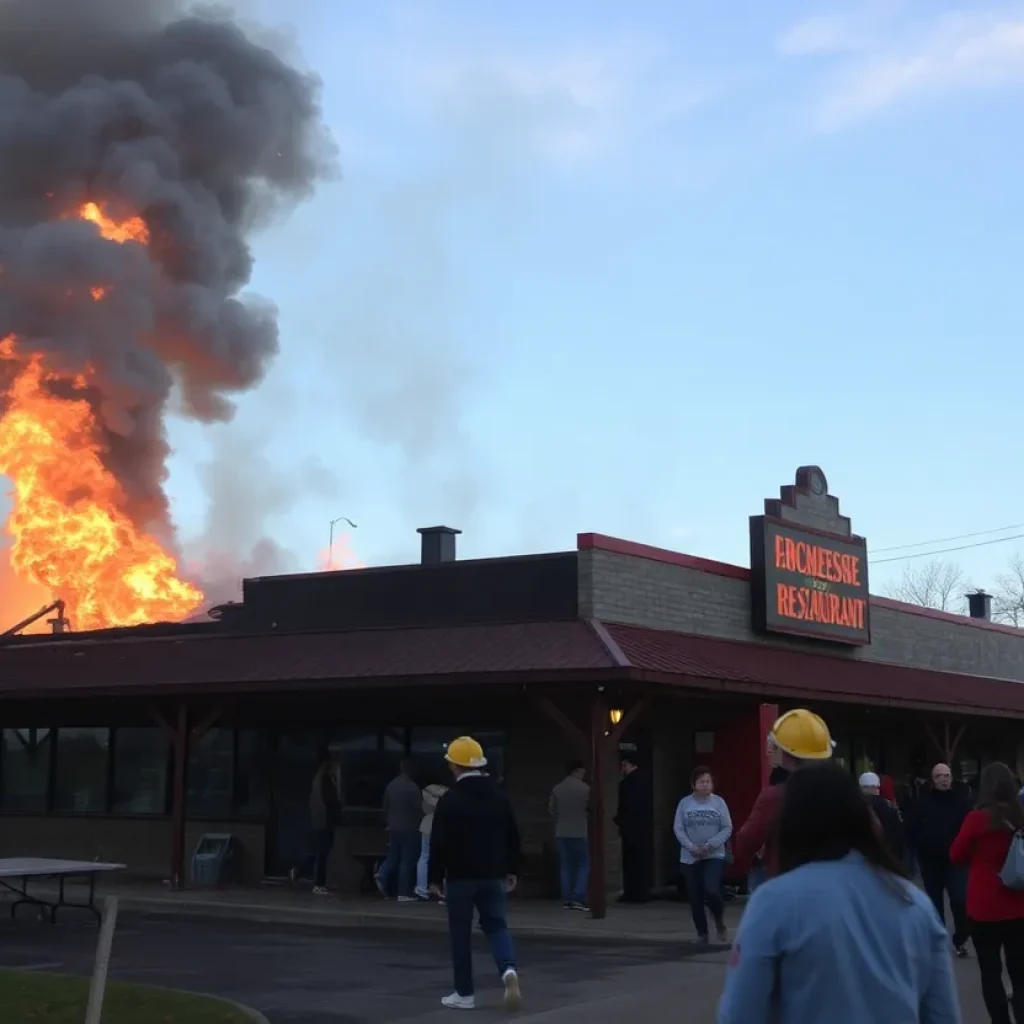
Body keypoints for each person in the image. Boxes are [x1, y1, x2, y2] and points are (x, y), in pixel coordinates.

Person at [718, 762, 961, 1024]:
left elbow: (740, 1014)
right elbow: (943, 1015)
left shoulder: (773, 902)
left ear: (789, 822)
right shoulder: (915, 904)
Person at [429, 735, 522, 1012]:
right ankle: (508, 970)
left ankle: (464, 993)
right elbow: (512, 835)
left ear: (455, 766)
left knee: (460, 934)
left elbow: (438, 842)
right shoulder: (499, 796)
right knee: (496, 926)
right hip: (494, 875)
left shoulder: (450, 799)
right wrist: (512, 869)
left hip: (460, 877)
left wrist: (434, 878)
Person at [950, 761, 1024, 1024]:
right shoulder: (1020, 815)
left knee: (990, 970)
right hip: (1018, 902)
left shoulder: (977, 818)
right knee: (1020, 969)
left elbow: (956, 854)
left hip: (985, 907)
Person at [733, 709, 835, 880]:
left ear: (783, 752)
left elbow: (747, 840)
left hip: (786, 878)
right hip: (831, 880)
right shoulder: (841, 791)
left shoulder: (776, 796)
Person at [909, 762, 972, 957]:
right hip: (930, 861)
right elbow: (911, 829)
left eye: (946, 775)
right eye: (939, 776)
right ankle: (938, 942)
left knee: (961, 900)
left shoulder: (961, 802)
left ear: (951, 778)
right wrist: (919, 848)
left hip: (956, 861)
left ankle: (960, 937)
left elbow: (968, 830)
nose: (943, 779)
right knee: (934, 904)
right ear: (933, 780)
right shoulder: (923, 803)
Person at [673, 766, 732, 944]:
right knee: (695, 896)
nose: (705, 785)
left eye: (708, 782)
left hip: (713, 854)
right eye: (701, 782)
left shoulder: (719, 803)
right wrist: (691, 847)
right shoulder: (685, 803)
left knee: (711, 890)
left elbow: (727, 827)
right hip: (690, 857)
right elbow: (678, 828)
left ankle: (719, 920)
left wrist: (709, 845)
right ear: (694, 785)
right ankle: (702, 932)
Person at [289, 750, 343, 895]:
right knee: (322, 852)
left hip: (320, 820)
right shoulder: (324, 778)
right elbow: (332, 800)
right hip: (324, 820)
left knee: (320, 851)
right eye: (331, 762)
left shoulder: (319, 778)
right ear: (326, 763)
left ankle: (300, 871)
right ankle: (318, 883)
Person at [375, 757, 424, 903]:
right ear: (412, 770)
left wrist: (388, 821)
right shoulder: (413, 788)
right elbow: (420, 809)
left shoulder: (391, 785)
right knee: (406, 861)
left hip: (394, 827)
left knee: (393, 856)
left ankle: (382, 874)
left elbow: (385, 807)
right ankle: (403, 893)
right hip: (410, 828)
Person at [549, 759, 590, 911]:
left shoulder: (558, 788)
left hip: (561, 831)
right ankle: (578, 897)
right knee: (583, 865)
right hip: (580, 831)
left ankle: (567, 898)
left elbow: (552, 810)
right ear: (577, 770)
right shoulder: (586, 789)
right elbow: (591, 808)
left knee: (565, 866)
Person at [614, 753, 653, 903]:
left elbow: (627, 805)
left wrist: (620, 820)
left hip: (631, 828)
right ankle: (641, 891)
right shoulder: (644, 780)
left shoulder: (628, 783)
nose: (622, 768)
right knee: (641, 861)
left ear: (631, 765)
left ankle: (632, 893)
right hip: (642, 828)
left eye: (624, 765)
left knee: (631, 861)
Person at [415, 775, 449, 902]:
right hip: (441, 827)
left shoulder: (426, 793)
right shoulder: (448, 795)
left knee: (424, 856)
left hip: (426, 825)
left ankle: (421, 888)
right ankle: (444, 891)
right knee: (445, 859)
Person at [860, 771, 905, 863]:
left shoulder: (855, 807)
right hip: (888, 857)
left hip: (863, 859)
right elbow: (898, 834)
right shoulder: (889, 807)